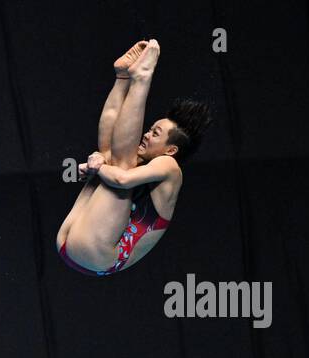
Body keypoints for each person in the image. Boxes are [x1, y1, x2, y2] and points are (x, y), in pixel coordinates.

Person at [56, 39, 212, 276]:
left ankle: (141, 79)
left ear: (171, 150)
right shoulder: (145, 164)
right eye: (150, 129)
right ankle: (122, 78)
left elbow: (121, 180)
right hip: (75, 247)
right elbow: (110, 165)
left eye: (155, 134)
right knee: (110, 155)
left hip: (97, 255)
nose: (146, 135)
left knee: (118, 165)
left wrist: (94, 167)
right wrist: (97, 164)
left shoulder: (170, 167)